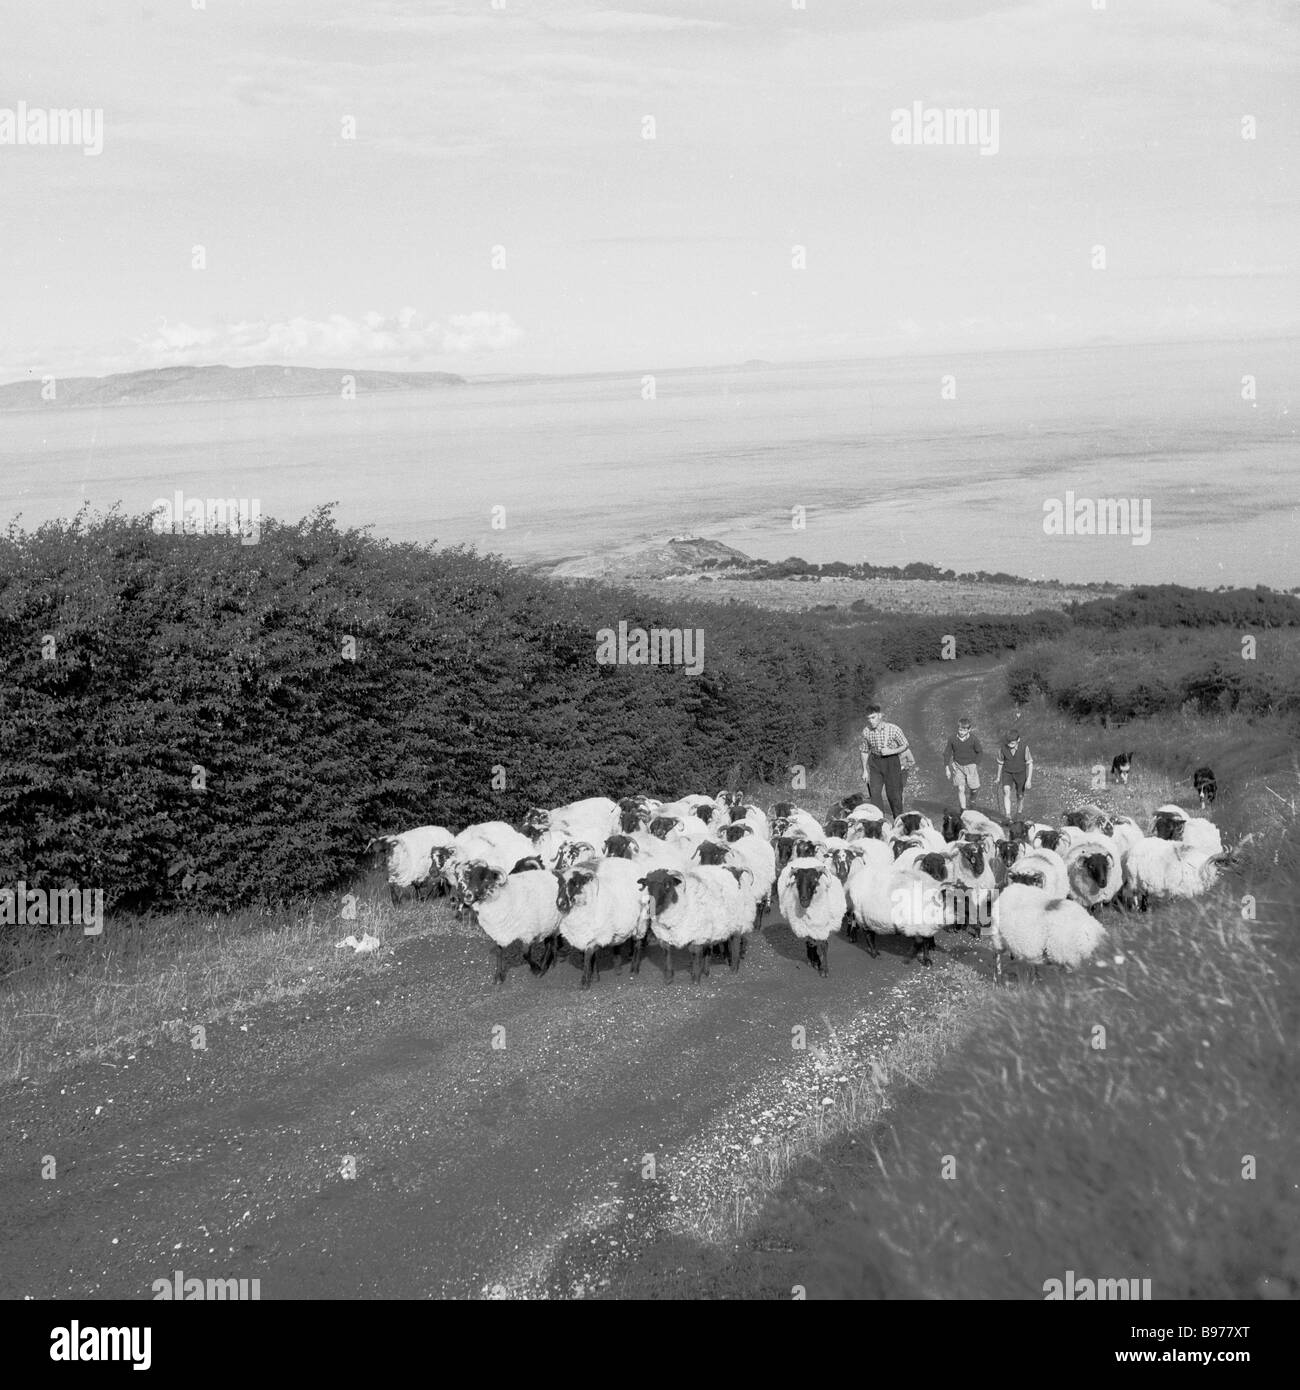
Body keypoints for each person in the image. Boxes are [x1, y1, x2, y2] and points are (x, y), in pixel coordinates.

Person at [859, 705, 913, 818]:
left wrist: (891, 751)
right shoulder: (866, 731)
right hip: (875, 762)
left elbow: (905, 744)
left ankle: (898, 819)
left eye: (873, 717)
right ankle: (879, 820)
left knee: (893, 794)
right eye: (868, 718)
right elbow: (864, 750)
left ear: (880, 715)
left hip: (891, 762)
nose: (871, 721)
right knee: (874, 793)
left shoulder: (894, 729)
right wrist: (864, 770)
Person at [944, 716, 984, 811]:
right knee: (961, 788)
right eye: (960, 730)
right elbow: (947, 753)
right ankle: (963, 809)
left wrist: (975, 764)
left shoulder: (973, 739)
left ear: (969, 730)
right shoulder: (952, 739)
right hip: (958, 766)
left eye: (964, 731)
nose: (961, 733)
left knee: (974, 789)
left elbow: (980, 752)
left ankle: (972, 800)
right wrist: (947, 768)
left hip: (971, 766)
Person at [996, 729, 1033, 818]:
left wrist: (1029, 780)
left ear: (1018, 740)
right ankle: (1008, 815)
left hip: (1020, 773)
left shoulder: (1024, 748)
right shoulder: (1002, 749)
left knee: (1020, 795)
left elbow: (1030, 763)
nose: (1010, 745)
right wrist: (998, 777)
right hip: (1007, 772)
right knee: (1006, 791)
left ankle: (1019, 813)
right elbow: (1000, 763)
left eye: (1012, 743)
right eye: (1008, 743)